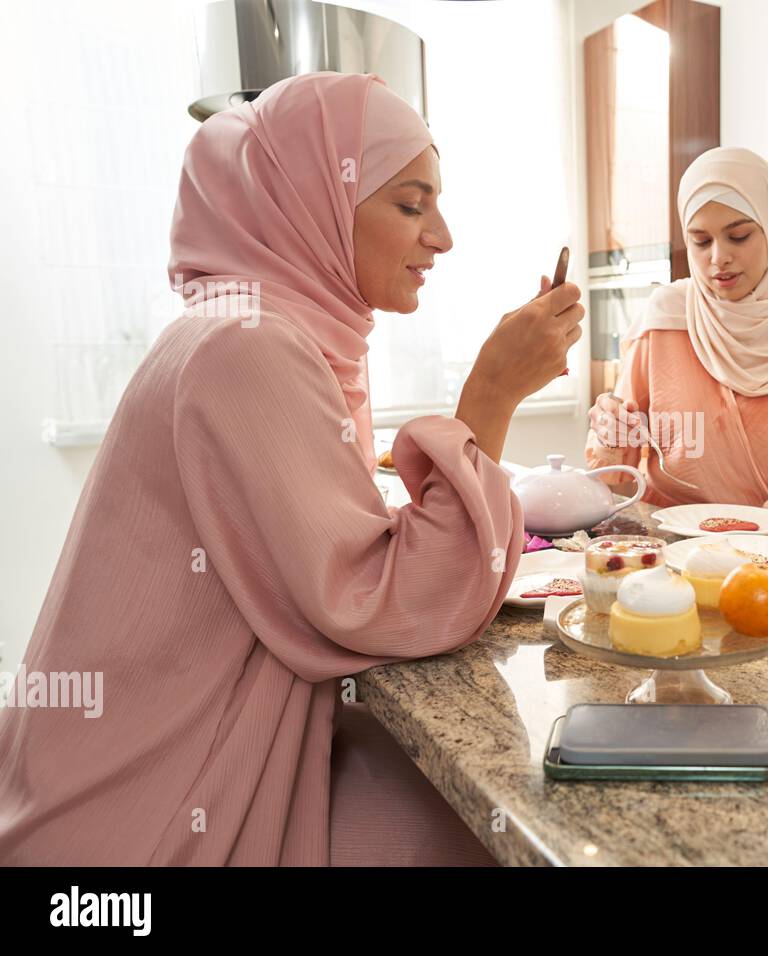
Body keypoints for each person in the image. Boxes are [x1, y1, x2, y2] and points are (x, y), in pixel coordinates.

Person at [0, 72, 583, 864]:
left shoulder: (248, 325)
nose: (442, 237)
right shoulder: (250, 347)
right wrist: (491, 394)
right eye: (411, 205)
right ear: (313, 205)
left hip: (123, 762)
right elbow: (386, 603)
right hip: (155, 802)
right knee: (502, 822)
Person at [585, 147, 768, 546]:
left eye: (739, 236)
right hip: (666, 552)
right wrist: (610, 432)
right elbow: (617, 478)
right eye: (700, 241)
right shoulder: (663, 321)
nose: (719, 258)